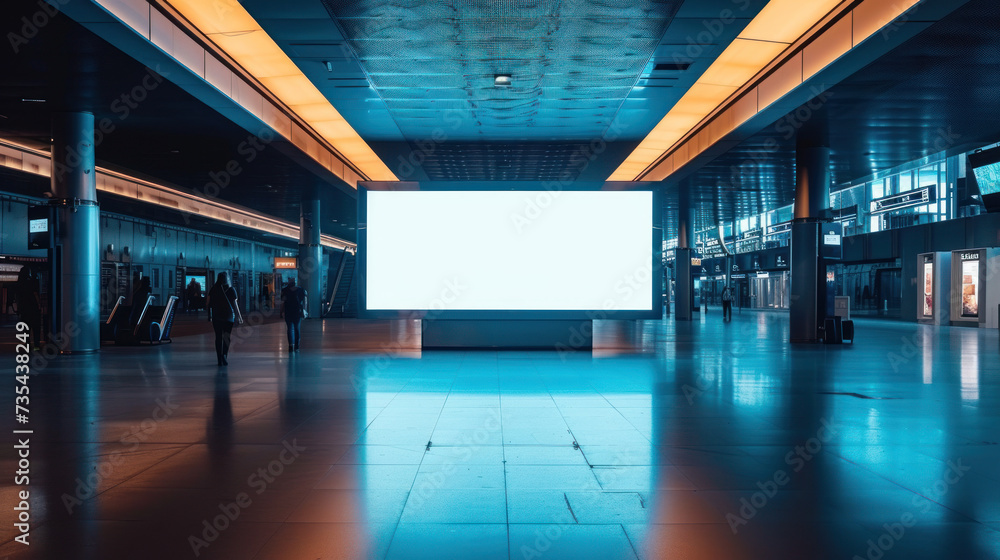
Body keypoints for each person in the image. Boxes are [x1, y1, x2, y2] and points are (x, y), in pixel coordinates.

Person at [206, 272, 243, 366]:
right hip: (228, 317)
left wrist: (210, 315)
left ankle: (219, 358)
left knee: (218, 337)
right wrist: (239, 317)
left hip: (216, 316)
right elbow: (235, 305)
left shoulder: (213, 289)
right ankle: (224, 355)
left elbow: (208, 303)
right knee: (226, 336)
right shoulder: (231, 289)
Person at [14, 267, 43, 350]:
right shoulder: (31, 282)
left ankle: (27, 345)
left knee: (26, 328)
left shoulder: (19, 284)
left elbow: (18, 298)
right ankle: (36, 345)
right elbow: (35, 293)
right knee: (36, 327)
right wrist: (39, 305)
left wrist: (18, 309)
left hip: (24, 308)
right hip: (33, 307)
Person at [280, 277, 307, 352]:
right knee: (297, 329)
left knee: (290, 329)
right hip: (297, 312)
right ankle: (297, 346)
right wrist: (304, 310)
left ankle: (291, 346)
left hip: (288, 311)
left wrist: (281, 312)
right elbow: (305, 301)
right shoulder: (301, 290)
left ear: (288, 281)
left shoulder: (284, 290)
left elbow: (282, 303)